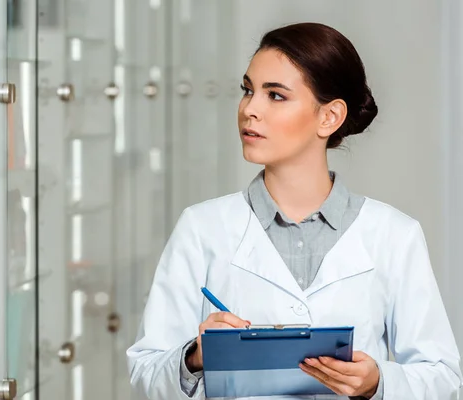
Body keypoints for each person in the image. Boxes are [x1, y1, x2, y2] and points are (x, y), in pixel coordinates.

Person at [126, 22, 462, 400]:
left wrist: (377, 383)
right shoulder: (202, 227)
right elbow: (146, 369)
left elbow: (443, 377)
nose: (249, 109)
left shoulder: (393, 235)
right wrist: (196, 356)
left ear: (329, 117)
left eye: (276, 96)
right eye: (248, 90)